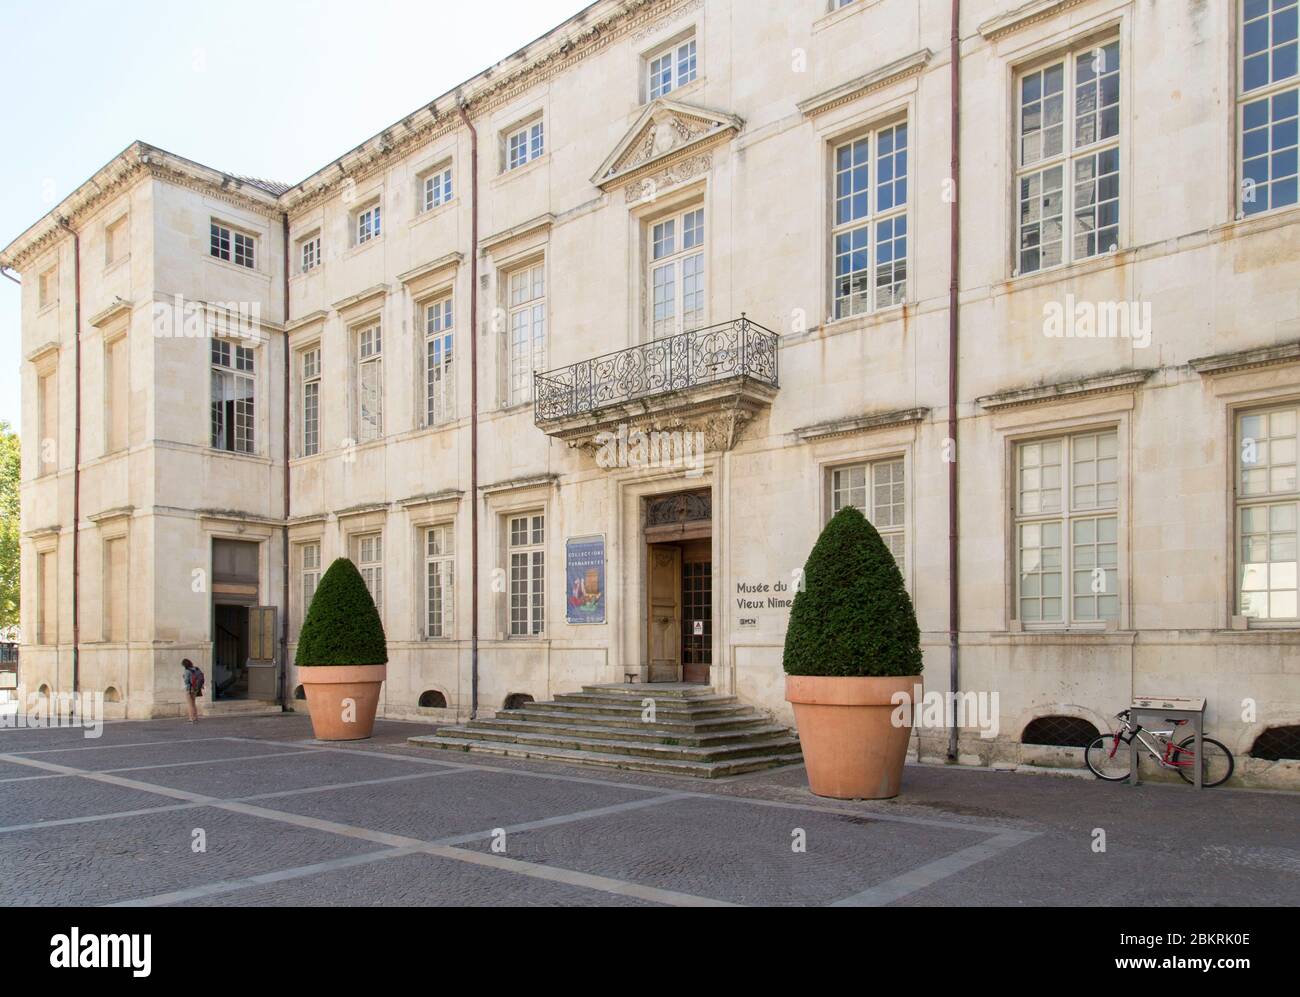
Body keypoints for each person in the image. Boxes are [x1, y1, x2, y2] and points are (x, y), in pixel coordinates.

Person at [182, 658, 204, 723]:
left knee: (190, 704)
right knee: (194, 704)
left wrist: (184, 677)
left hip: (190, 689)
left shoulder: (187, 671)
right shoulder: (196, 669)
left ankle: (191, 719)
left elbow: (186, 681)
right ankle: (196, 718)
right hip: (196, 689)